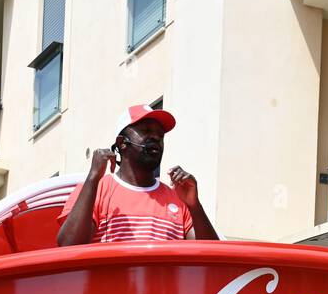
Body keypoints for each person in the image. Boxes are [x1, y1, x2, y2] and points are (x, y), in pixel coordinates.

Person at [57, 103, 219, 246]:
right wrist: (92, 178)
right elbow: (69, 244)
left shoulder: (178, 198)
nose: (156, 137)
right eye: (146, 131)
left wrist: (194, 205)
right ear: (122, 143)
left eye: (160, 135)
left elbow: (212, 257)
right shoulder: (95, 189)